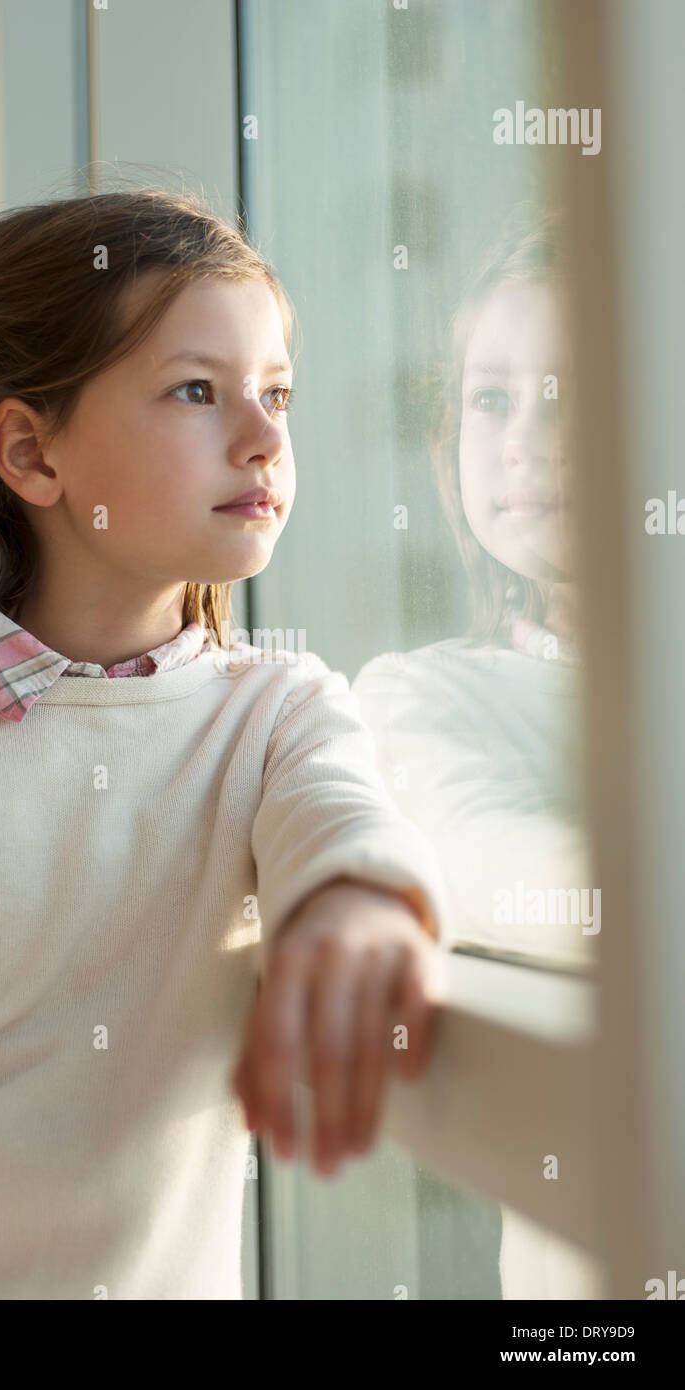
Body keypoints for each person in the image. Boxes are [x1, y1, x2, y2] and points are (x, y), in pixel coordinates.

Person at [0, 186, 451, 1300]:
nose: (264, 438)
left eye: (278, 393)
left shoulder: (276, 714)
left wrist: (354, 910)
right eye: (197, 391)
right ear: (31, 452)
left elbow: (346, 824)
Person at [352, 206, 603, 1297]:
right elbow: (532, 880)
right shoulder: (418, 698)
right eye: (493, 398)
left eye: (573, 393)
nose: (526, 438)